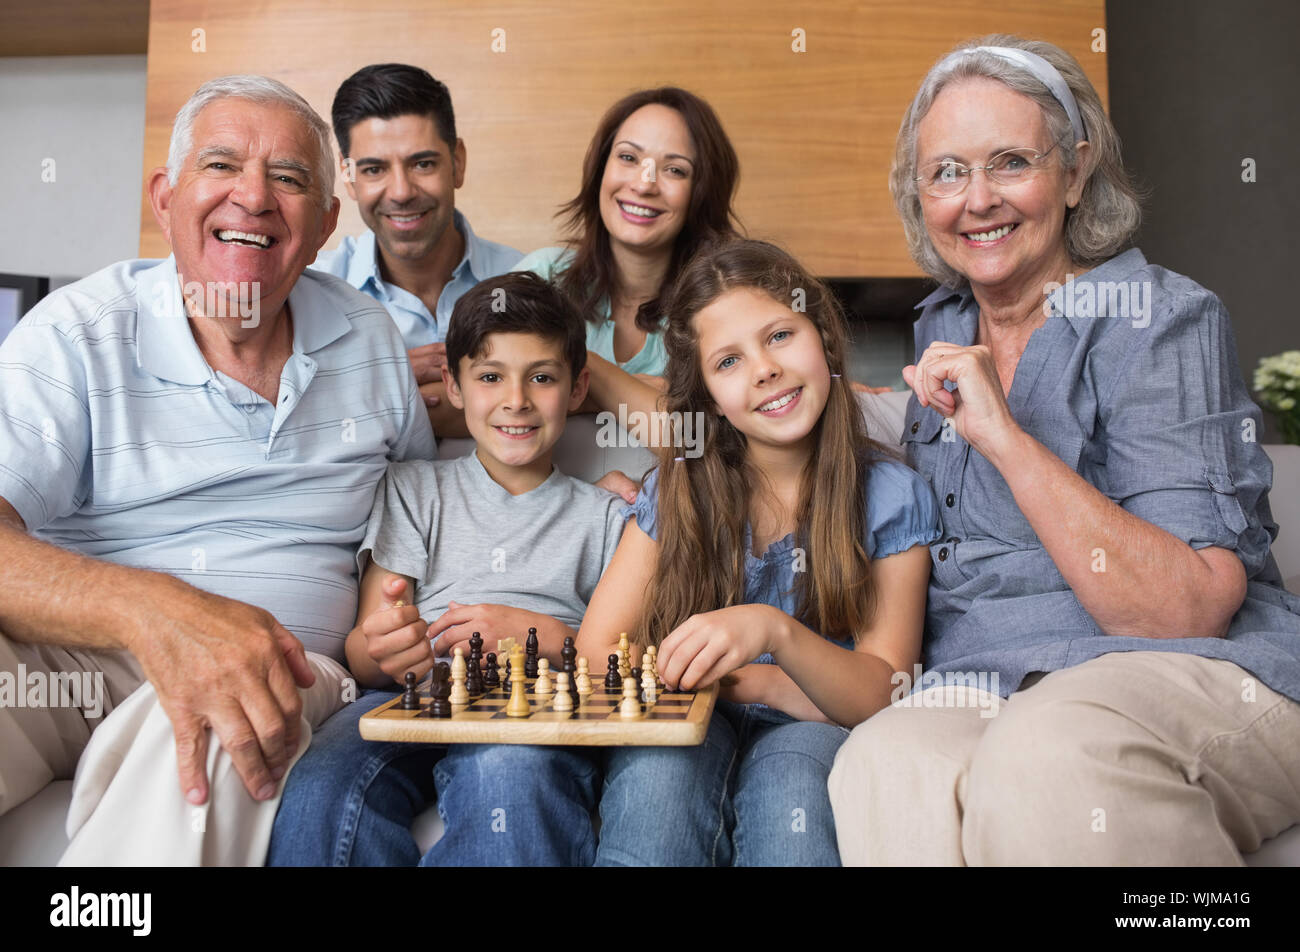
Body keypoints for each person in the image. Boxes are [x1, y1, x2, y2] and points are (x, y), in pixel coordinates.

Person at [827, 35, 1300, 866]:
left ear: (1077, 171)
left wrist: (1006, 438)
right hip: (989, 673)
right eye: (946, 172)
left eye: (1010, 161)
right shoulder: (941, 325)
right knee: (882, 762)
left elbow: (1189, 607)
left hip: (1182, 666)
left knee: (1049, 751)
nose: (976, 200)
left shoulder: (1160, 320)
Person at [0, 75, 435, 865]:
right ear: (166, 198)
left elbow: (426, 519)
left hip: (290, 662)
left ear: (327, 221)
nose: (255, 198)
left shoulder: (369, 338)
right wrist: (155, 611)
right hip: (74, 658)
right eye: (222, 165)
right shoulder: (79, 330)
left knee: (232, 693)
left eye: (291, 179)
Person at [430, 238, 940, 866]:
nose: (763, 370)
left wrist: (773, 633)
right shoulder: (680, 491)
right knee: (658, 793)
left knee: (792, 808)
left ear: (826, 340)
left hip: (810, 727)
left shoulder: (890, 495)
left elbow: (883, 688)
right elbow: (596, 656)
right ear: (704, 394)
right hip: (691, 715)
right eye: (728, 361)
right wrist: (748, 681)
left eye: (779, 336)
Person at [268, 271, 626, 865]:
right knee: (320, 792)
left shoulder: (608, 518)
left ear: (578, 387)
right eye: (490, 377)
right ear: (454, 388)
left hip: (533, 707)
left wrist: (540, 636)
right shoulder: (414, 490)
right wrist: (382, 649)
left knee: (510, 779)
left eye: (541, 377)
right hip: (413, 699)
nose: (516, 400)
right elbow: (365, 651)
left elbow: (625, 657)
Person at [314, 64, 523, 438]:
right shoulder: (308, 294)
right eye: (374, 169)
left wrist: (364, 393)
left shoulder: (530, 280)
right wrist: (382, 373)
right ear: (348, 177)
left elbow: (566, 395)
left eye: (422, 163)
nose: (401, 191)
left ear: (457, 162)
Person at [513, 87, 740, 424]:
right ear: (600, 169)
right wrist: (637, 390)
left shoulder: (727, 305)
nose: (644, 185)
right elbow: (453, 403)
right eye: (628, 158)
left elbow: (716, 429)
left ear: (702, 193)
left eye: (675, 170)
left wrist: (568, 380)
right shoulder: (541, 276)